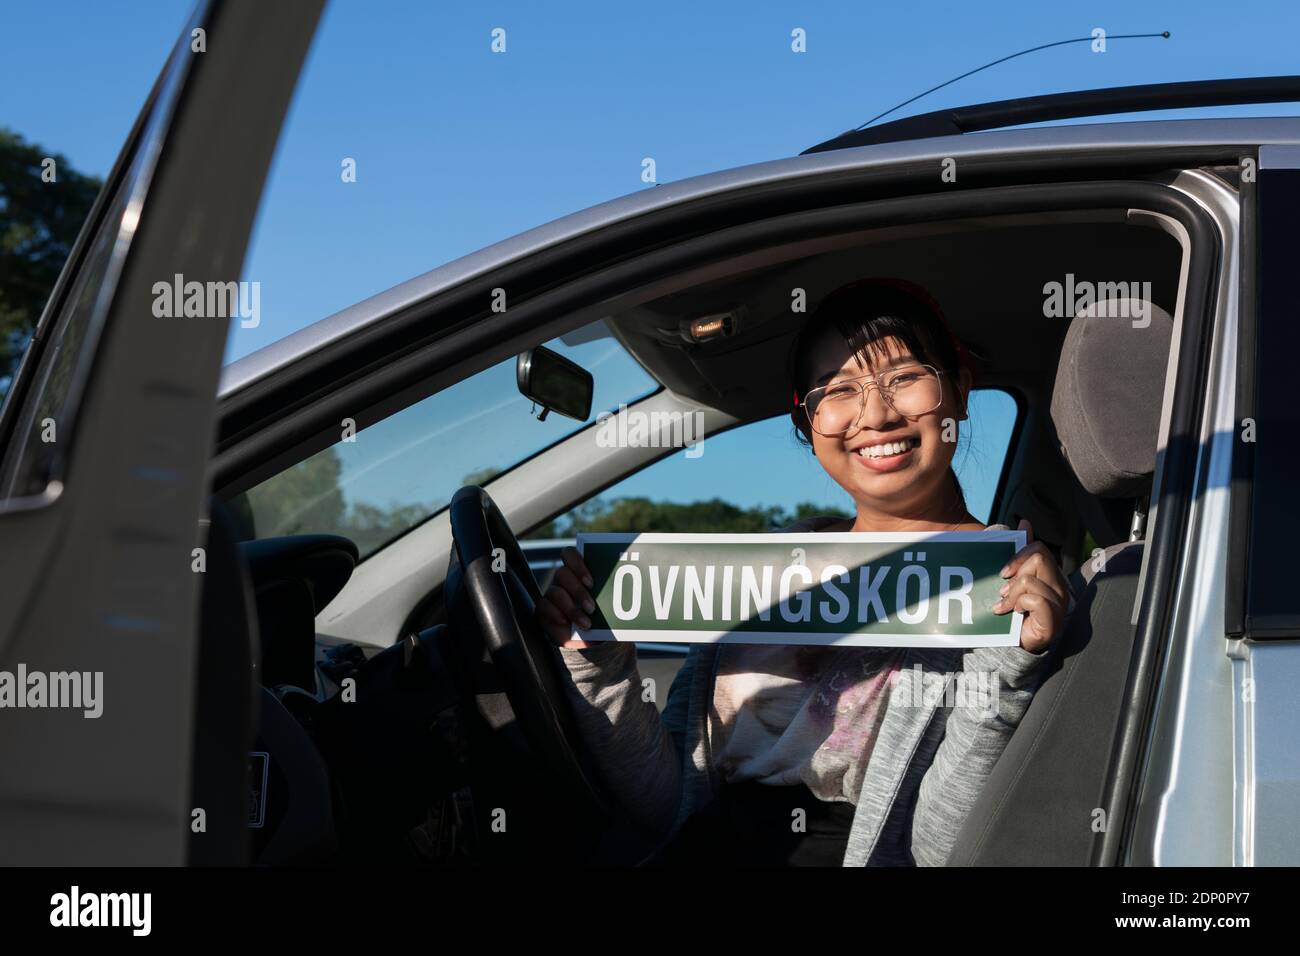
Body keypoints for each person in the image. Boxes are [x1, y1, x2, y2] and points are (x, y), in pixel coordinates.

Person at [536, 279, 1072, 866]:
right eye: (838, 390)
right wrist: (597, 665)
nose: (876, 412)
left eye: (904, 377)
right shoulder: (756, 572)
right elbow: (667, 804)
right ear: (807, 425)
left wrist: (1008, 670)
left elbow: (942, 847)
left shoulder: (1002, 588)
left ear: (960, 391)